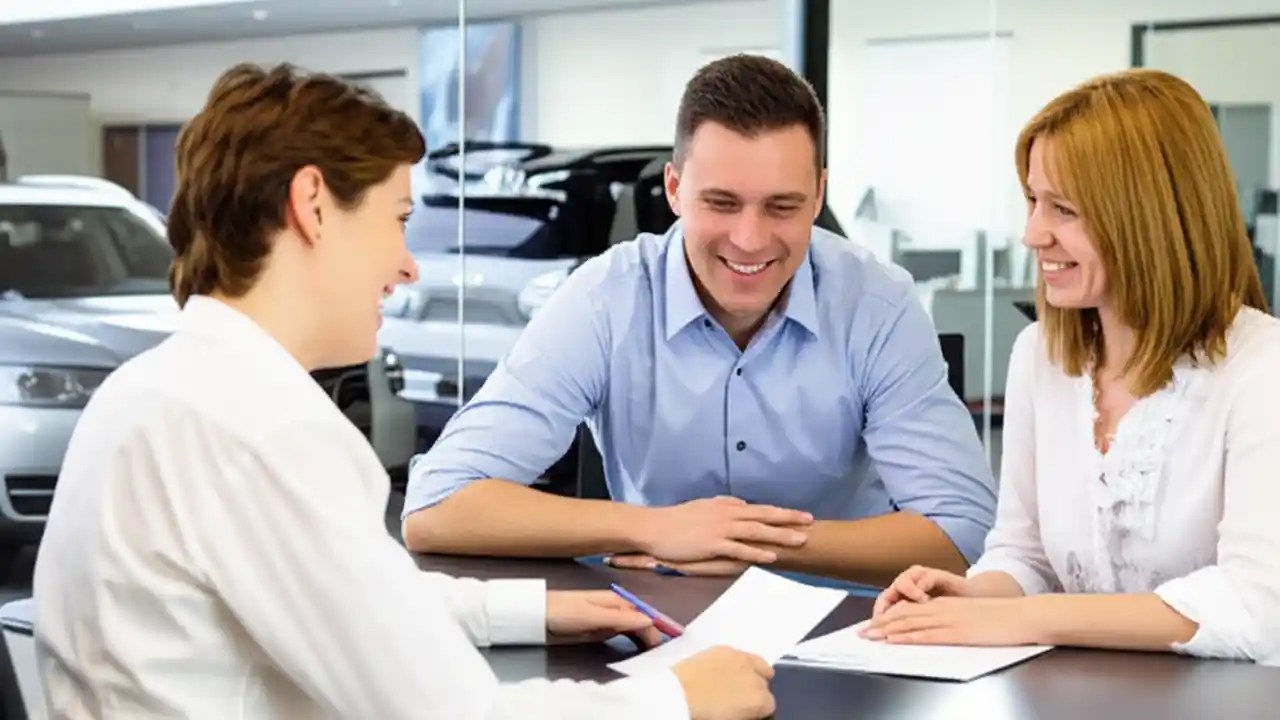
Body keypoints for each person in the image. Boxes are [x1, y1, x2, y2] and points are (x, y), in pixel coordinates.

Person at [31, 62, 778, 719]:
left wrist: (525, 611)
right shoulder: (258, 430)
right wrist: (679, 696)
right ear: (313, 204)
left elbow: (342, 594)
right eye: (398, 221)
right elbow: (461, 714)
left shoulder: (161, 391)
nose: (409, 267)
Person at [402, 53, 997, 587]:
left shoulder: (877, 305)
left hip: (848, 639)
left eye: (782, 207)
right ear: (674, 188)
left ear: (818, 197)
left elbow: (962, 531)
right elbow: (436, 506)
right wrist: (653, 528)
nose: (749, 239)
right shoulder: (605, 299)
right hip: (655, 628)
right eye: (721, 203)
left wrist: (749, 547)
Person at [866, 68, 1280, 667]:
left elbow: (1256, 608)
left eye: (1063, 209)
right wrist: (972, 595)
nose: (1033, 233)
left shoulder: (1260, 366)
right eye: (1033, 201)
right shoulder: (1039, 355)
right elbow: (1025, 555)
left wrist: (1015, 619)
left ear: (1149, 219)